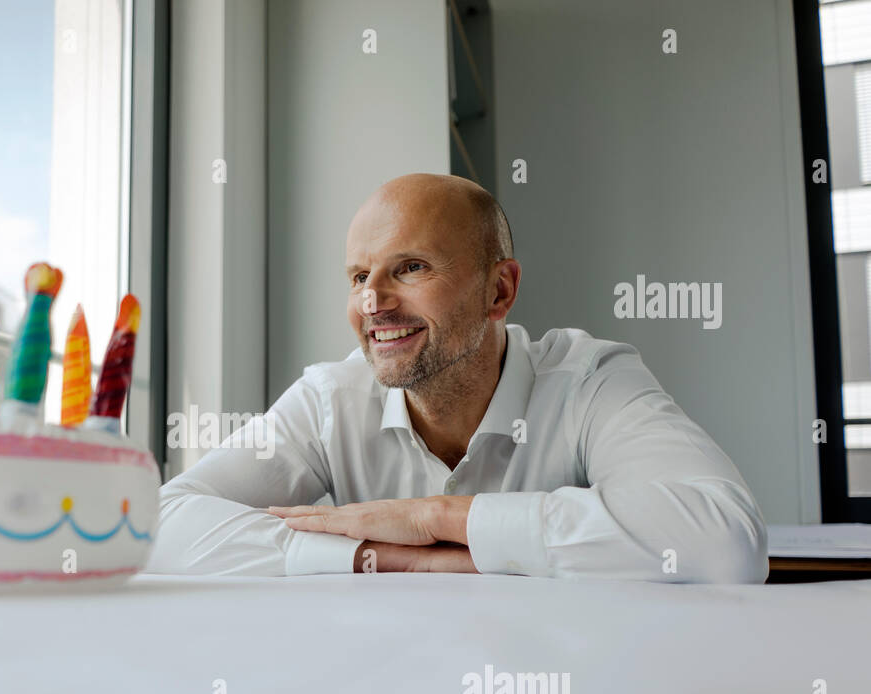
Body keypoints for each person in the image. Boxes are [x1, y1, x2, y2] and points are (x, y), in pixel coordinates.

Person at [146, 173, 768, 583]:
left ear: (499, 291)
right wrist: (376, 558)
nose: (372, 303)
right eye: (360, 277)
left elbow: (724, 541)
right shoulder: (329, 400)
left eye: (409, 268)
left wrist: (436, 519)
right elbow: (163, 522)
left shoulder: (590, 381)